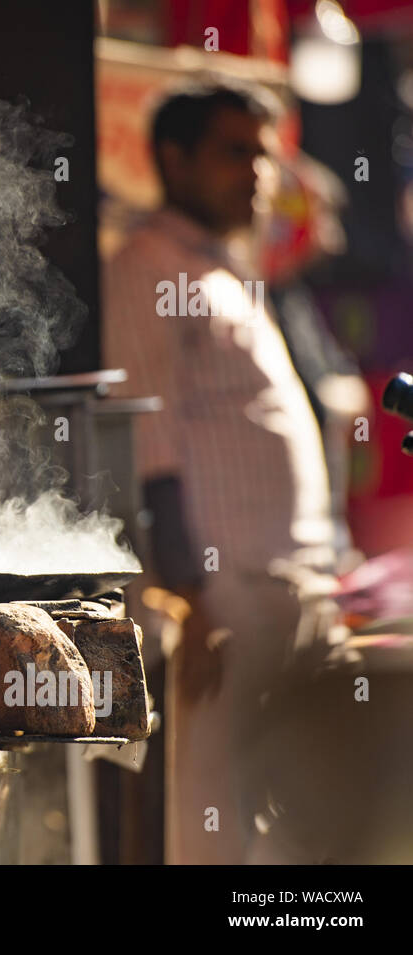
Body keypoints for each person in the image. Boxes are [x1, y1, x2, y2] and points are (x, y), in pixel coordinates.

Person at [102, 82, 340, 863]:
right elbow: (151, 446)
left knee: (292, 827)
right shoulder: (148, 266)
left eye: (264, 154)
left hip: (285, 589)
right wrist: (194, 599)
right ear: (173, 160)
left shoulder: (223, 272)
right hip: (222, 602)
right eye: (234, 151)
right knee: (219, 827)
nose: (258, 172)